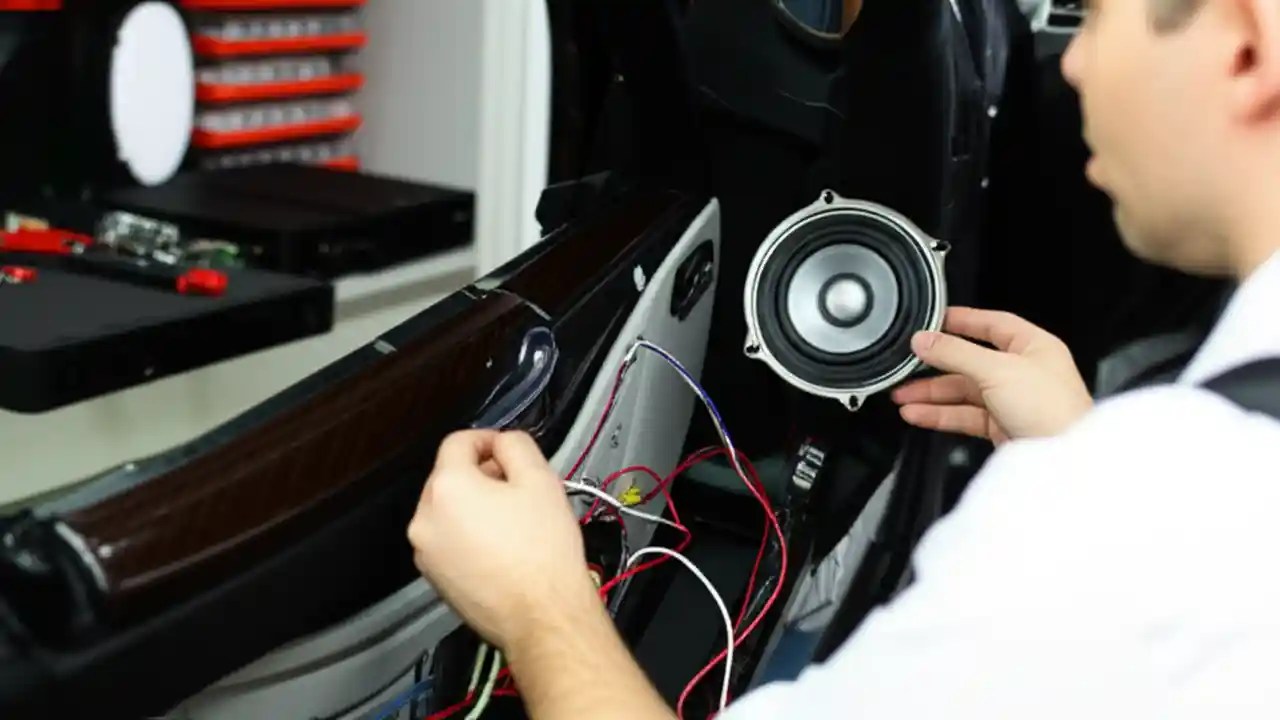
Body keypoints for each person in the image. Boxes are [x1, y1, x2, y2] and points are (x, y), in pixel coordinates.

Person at [407, 0, 1280, 716]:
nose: (1078, 63)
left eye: (1092, 19)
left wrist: (537, 605)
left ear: (1243, 50)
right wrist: (1091, 461)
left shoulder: (1143, 525)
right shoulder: (1186, 496)